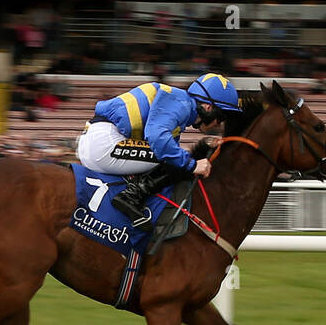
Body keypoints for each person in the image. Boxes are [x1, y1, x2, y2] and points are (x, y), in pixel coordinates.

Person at [76, 73, 244, 225]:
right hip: (103, 143)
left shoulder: (178, 107)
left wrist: (204, 146)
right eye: (221, 116)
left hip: (97, 141)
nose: (219, 123)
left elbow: (167, 147)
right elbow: (158, 140)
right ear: (208, 107)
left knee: (175, 158)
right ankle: (130, 197)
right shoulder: (181, 103)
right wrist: (193, 165)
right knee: (172, 158)